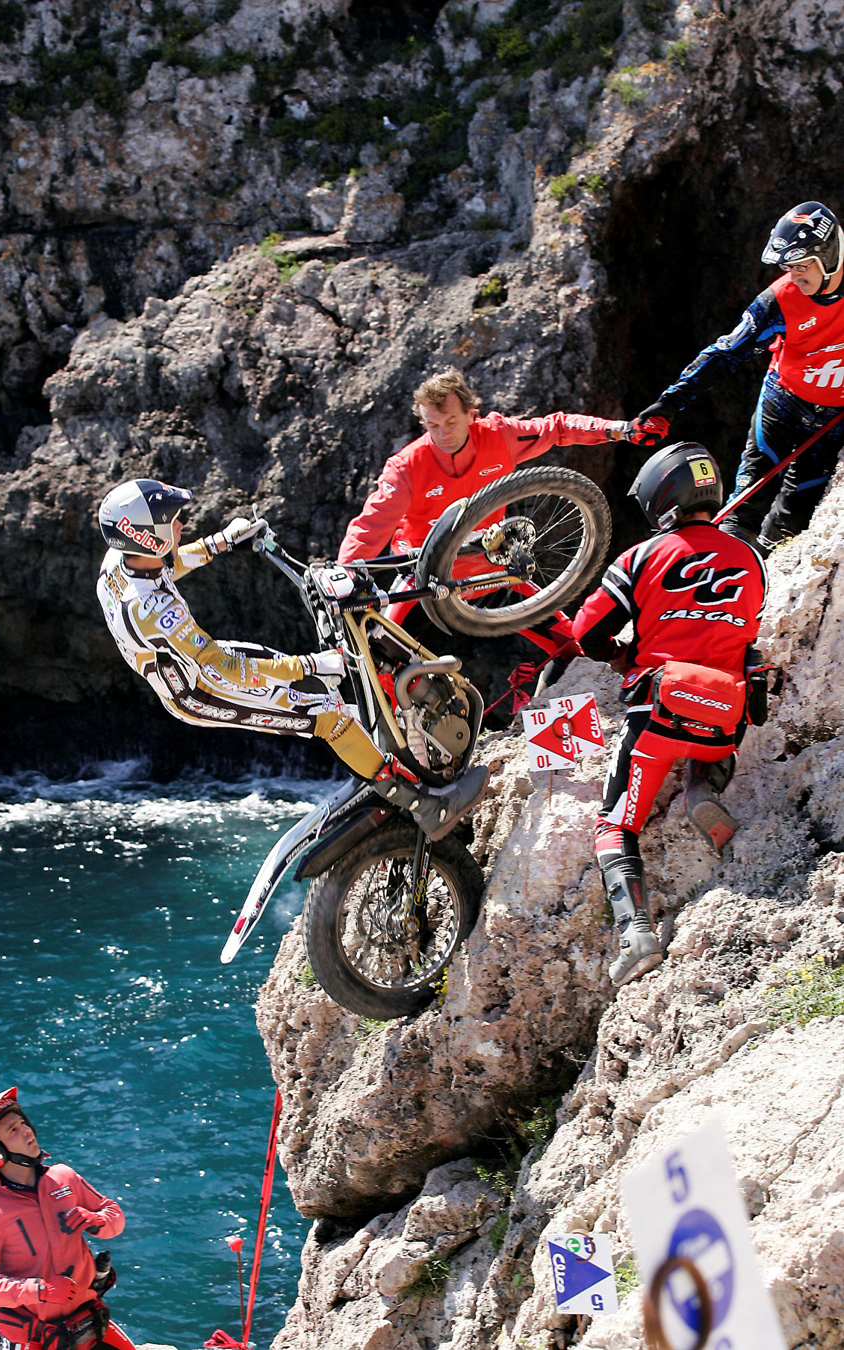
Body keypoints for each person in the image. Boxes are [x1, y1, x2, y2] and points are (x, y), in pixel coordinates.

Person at [96, 479, 487, 840]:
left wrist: (222, 541)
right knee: (327, 715)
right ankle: (424, 806)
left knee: (314, 688)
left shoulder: (120, 562)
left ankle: (387, 759)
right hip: (202, 691)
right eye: (173, 522)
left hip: (194, 666)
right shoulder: (154, 610)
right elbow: (223, 668)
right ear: (146, 536)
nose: (181, 526)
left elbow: (167, 566)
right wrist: (311, 663)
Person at [571, 442, 767, 986]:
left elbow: (585, 632)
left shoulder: (640, 557)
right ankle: (703, 788)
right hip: (722, 718)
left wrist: (621, 654)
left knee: (615, 826)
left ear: (662, 495)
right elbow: (746, 632)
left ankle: (637, 935)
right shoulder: (749, 557)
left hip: (655, 717)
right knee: (721, 721)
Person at [631, 200, 844, 555]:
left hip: (833, 423)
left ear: (829, 255)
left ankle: (768, 582)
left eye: (801, 265)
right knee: (743, 505)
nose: (793, 274)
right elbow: (726, 352)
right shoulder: (779, 300)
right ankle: (722, 574)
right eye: (788, 267)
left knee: (795, 515)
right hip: (783, 405)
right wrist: (671, 402)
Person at [337, 365, 634, 574]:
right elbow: (371, 527)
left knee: (563, 636)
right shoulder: (405, 468)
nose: (443, 434)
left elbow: (556, 428)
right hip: (423, 571)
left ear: (471, 413)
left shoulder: (500, 436)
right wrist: (343, 575)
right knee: (382, 649)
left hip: (488, 562)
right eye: (433, 426)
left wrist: (617, 429)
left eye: (451, 422)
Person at [0, 1086, 133, 1350]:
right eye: (12, 1130)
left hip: (89, 1324)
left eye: (23, 1122)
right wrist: (39, 1290)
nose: (26, 1129)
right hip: (35, 1340)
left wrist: (96, 1220)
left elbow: (114, 1215)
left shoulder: (63, 1177)